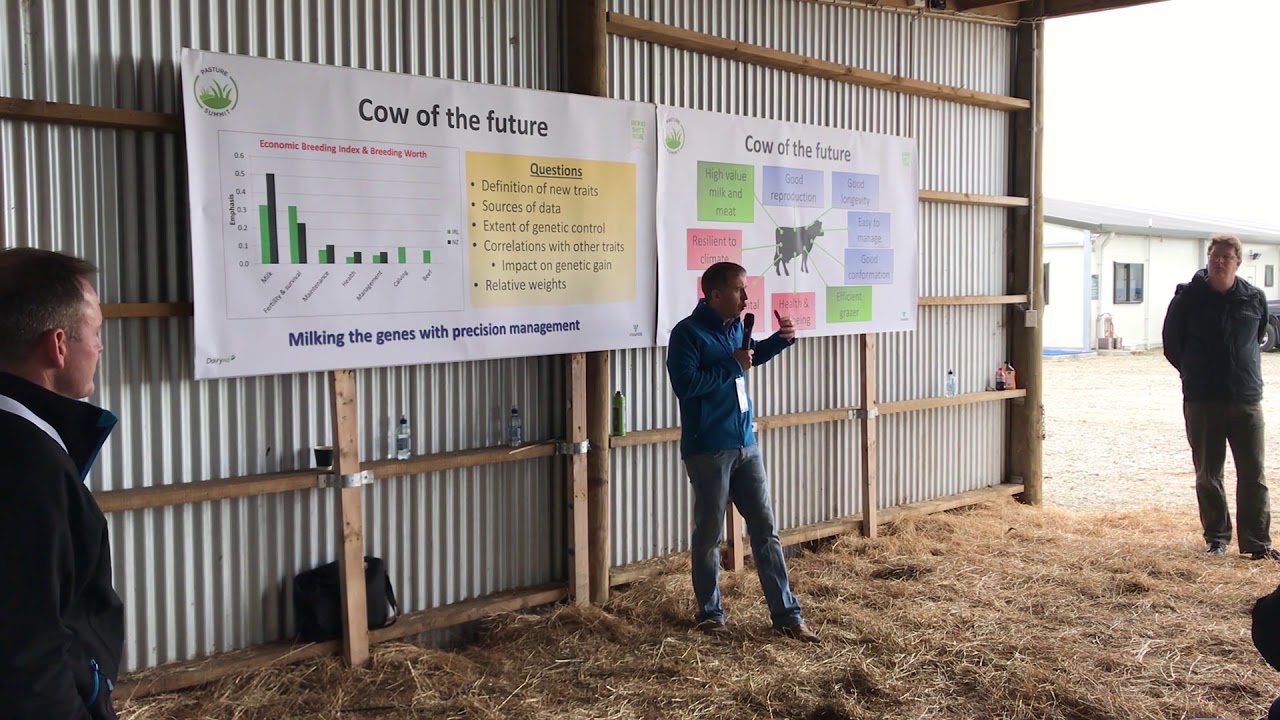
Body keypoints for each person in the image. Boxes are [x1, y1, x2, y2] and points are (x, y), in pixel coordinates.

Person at [665, 261, 818, 642]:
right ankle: (710, 614)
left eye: (746, 289)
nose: (747, 297)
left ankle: (787, 616)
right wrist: (731, 365)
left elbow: (748, 358)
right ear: (714, 295)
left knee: (766, 530)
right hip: (708, 450)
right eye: (739, 290)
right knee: (709, 535)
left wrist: (780, 341)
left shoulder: (736, 327)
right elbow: (687, 385)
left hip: (746, 445)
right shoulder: (686, 334)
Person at [0, 248, 124, 718]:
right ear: (58, 346)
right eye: (95, 333)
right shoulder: (29, 467)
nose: (99, 347)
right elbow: (28, 655)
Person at [1161, 233, 1279, 561]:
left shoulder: (1254, 298)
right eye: (1215, 255)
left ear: (1238, 263)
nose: (1220, 261)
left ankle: (1257, 543)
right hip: (1202, 400)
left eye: (1227, 257)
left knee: (1253, 473)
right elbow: (1172, 345)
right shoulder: (1187, 299)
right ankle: (1216, 538)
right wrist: (1194, 374)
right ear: (1208, 258)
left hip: (1246, 398)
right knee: (1208, 474)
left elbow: (1256, 338)